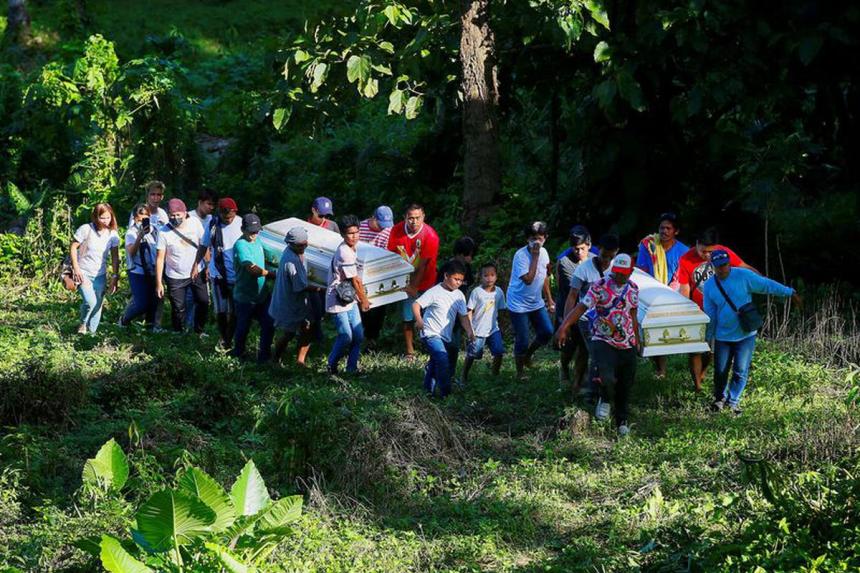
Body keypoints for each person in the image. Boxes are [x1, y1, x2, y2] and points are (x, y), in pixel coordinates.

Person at [703, 250, 800, 414]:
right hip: (723, 335)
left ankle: (733, 401)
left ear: (729, 263)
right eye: (718, 266)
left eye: (725, 265)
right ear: (713, 266)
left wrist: (790, 292)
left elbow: (766, 285)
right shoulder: (709, 285)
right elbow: (710, 313)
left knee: (741, 370)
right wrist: (708, 337)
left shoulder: (743, 276)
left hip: (745, 334)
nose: (722, 269)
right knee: (720, 371)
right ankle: (719, 399)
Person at [556, 254, 641, 436]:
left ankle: (622, 419)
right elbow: (581, 307)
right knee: (607, 377)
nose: (619, 277)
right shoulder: (600, 286)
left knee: (626, 382)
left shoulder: (633, 289)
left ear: (631, 272)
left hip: (626, 341)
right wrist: (564, 326)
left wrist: (637, 339)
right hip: (603, 339)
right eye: (617, 273)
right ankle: (605, 398)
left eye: (624, 274)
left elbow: (633, 314)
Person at [676, 227, 759, 391]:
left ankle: (703, 373)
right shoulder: (686, 259)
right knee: (695, 350)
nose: (708, 255)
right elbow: (684, 288)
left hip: (721, 311)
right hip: (698, 311)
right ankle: (698, 386)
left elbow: (743, 266)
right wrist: (686, 313)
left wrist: (760, 278)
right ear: (697, 244)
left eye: (711, 251)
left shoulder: (723, 252)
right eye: (704, 251)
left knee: (711, 351)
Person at [560, 234, 619, 398]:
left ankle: (581, 385)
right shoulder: (583, 269)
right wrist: (567, 323)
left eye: (610, 256)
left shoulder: (617, 267)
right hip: (586, 319)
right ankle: (591, 391)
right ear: (598, 249)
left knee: (587, 353)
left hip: (610, 320)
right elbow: (572, 296)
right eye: (604, 255)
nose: (606, 260)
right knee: (596, 354)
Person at [413, 259, 476, 397]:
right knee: (442, 358)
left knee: (436, 363)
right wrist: (419, 320)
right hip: (430, 333)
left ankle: (427, 391)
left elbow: (463, 316)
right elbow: (416, 304)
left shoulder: (459, 296)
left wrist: (470, 331)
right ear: (446, 276)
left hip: (445, 336)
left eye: (461, 280)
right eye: (456, 279)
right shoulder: (434, 291)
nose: (458, 283)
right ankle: (446, 393)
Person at [635, 212, 688, 378]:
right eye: (661, 228)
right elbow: (642, 271)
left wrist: (668, 294)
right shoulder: (648, 245)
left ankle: (664, 369)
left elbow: (680, 277)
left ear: (676, 231)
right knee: (652, 334)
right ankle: (659, 368)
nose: (664, 231)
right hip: (649, 292)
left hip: (673, 295)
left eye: (668, 228)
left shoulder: (683, 250)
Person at [388, 203, 440, 360]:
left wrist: (414, 287)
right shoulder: (396, 231)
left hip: (426, 281)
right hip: (405, 280)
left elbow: (423, 265)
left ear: (423, 217)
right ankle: (410, 351)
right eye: (411, 218)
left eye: (418, 218)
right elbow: (392, 256)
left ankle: (431, 347)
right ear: (405, 218)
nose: (414, 222)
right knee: (408, 316)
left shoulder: (430, 235)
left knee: (428, 316)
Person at [507, 221, 555, 380]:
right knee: (523, 338)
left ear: (545, 238)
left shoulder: (545, 253)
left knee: (547, 331)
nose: (537, 242)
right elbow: (528, 279)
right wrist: (535, 256)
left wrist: (549, 300)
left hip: (536, 301)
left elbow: (544, 277)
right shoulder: (520, 256)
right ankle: (520, 372)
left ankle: (528, 355)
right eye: (533, 238)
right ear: (527, 238)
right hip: (518, 303)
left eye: (540, 238)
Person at [154, 198, 209, 333]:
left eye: (178, 215)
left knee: (203, 302)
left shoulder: (195, 223)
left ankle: (199, 331)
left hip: (197, 271)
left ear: (185, 213)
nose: (175, 218)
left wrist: (207, 266)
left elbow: (204, 245)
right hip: (175, 275)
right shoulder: (163, 232)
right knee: (178, 307)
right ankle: (179, 332)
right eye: (172, 215)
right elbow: (160, 258)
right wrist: (159, 282)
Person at [326, 216, 372, 375]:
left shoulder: (352, 248)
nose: (354, 236)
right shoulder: (345, 251)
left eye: (357, 232)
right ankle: (331, 366)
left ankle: (351, 368)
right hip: (338, 299)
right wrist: (364, 300)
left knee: (358, 335)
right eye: (350, 234)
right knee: (346, 336)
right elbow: (355, 281)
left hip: (349, 297)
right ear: (343, 235)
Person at [70, 203, 120, 334]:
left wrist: (115, 276)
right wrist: (76, 268)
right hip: (84, 272)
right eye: (102, 218)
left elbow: (115, 256)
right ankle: (83, 323)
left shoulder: (113, 234)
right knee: (90, 301)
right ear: (95, 217)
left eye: (108, 218)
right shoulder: (86, 229)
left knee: (98, 305)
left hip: (100, 275)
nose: (105, 221)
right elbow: (73, 247)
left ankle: (91, 334)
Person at [232, 214, 276, 363]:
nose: (254, 234)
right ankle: (238, 354)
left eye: (256, 231)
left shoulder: (258, 241)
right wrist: (271, 274)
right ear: (242, 229)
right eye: (251, 231)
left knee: (269, 324)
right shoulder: (240, 245)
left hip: (262, 296)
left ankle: (264, 357)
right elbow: (252, 269)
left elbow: (273, 255)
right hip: (245, 297)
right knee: (243, 327)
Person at [270, 227, 314, 365]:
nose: (303, 247)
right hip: (290, 302)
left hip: (297, 302)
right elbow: (300, 287)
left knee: (307, 328)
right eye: (300, 245)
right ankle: (275, 359)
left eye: (305, 244)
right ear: (290, 244)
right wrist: (322, 289)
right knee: (288, 333)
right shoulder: (292, 261)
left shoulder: (293, 252)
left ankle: (300, 361)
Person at [555, 225, 593, 385]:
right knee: (568, 347)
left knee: (584, 348)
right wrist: (566, 322)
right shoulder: (564, 263)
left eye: (582, 248)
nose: (579, 252)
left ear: (589, 246)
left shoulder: (595, 260)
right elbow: (573, 292)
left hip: (588, 311)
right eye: (575, 249)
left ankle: (580, 378)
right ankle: (563, 368)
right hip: (568, 308)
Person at [461, 262, 506, 385]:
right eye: (486, 275)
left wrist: (501, 327)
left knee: (499, 352)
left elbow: (501, 310)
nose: (489, 278)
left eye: (492, 275)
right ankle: (463, 376)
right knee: (473, 354)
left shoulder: (499, 292)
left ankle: (495, 374)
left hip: (493, 329)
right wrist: (470, 330)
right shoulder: (477, 292)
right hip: (478, 330)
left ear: (496, 276)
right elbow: (469, 310)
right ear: (480, 277)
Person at [208, 197, 243, 349]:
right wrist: (196, 265)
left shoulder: (242, 224)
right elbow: (204, 245)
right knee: (221, 311)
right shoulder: (214, 225)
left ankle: (229, 339)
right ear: (219, 213)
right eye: (225, 216)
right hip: (218, 274)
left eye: (231, 216)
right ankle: (224, 338)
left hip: (237, 275)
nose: (229, 220)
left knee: (235, 311)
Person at [120, 204, 161, 329]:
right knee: (141, 303)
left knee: (154, 301)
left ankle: (150, 327)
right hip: (137, 270)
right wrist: (140, 236)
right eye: (139, 219)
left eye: (145, 219)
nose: (141, 222)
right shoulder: (131, 233)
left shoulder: (155, 231)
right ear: (134, 218)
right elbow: (131, 252)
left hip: (153, 269)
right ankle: (124, 320)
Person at [358, 205, 395, 346]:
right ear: (373, 218)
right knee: (363, 308)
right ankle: (361, 337)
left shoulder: (389, 230)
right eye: (380, 224)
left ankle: (372, 339)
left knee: (379, 308)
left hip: (379, 272)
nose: (383, 228)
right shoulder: (360, 228)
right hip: (360, 273)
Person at [185, 188, 217, 331]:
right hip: (188, 262)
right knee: (189, 297)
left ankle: (197, 329)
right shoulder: (189, 217)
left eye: (212, 205)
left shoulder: (211, 220)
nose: (211, 207)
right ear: (200, 202)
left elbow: (209, 245)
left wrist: (209, 265)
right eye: (208, 204)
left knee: (203, 299)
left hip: (205, 264)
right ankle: (186, 326)